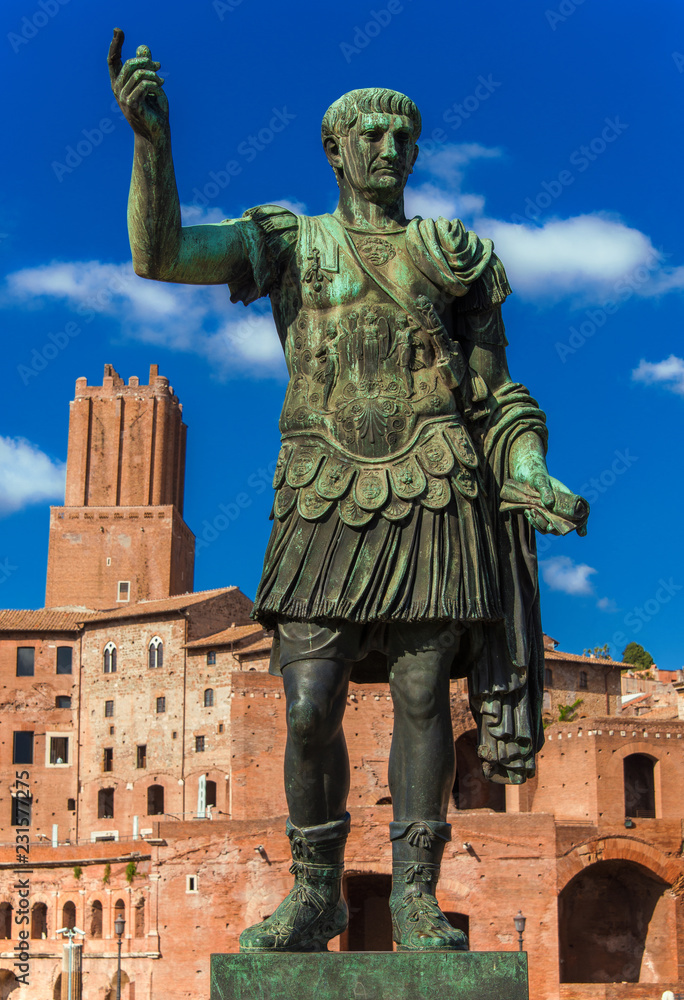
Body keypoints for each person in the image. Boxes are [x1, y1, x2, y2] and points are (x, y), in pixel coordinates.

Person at [109, 29, 588, 953]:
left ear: (414, 152)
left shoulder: (452, 255)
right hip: (324, 491)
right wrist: (151, 143)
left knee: (420, 697)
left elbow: (495, 394)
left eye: (399, 136)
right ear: (334, 148)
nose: (385, 149)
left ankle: (414, 892)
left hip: (434, 488)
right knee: (307, 702)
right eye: (367, 134)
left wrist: (526, 471)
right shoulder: (292, 244)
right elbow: (159, 253)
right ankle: (317, 888)